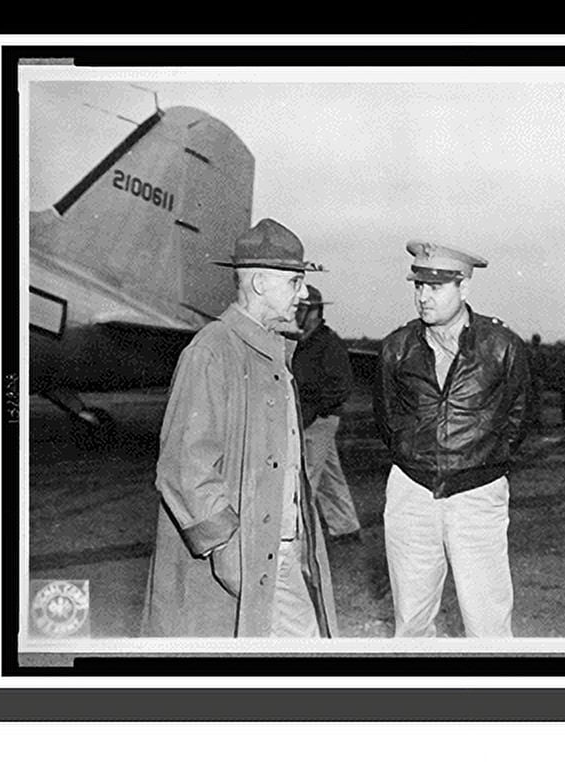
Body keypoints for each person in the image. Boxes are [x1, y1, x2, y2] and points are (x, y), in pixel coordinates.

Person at [141, 218, 337, 638]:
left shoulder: (272, 351)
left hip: (279, 552)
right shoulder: (212, 350)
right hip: (246, 556)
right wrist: (228, 548)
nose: (303, 294)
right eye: (296, 282)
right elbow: (184, 466)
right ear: (262, 283)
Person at [374, 240, 529, 637]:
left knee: (487, 621)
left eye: (436, 287)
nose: (423, 297)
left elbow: (520, 418)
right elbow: (387, 418)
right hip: (412, 492)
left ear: (464, 288)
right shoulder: (397, 347)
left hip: (476, 495)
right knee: (411, 620)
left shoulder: (502, 347)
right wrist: (415, 459)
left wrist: (480, 463)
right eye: (418, 286)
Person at [292, 284, 363, 543]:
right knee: (330, 477)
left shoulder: (328, 343)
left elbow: (341, 387)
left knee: (305, 479)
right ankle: (346, 529)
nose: (296, 314)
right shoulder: (305, 343)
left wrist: (313, 410)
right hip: (310, 418)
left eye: (301, 309)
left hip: (318, 421)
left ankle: (296, 538)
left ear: (315, 311)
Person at [526, 333, 548, 432]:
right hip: (530, 378)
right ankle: (530, 420)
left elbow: (546, 365)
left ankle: (537, 420)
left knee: (538, 400)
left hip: (537, 377)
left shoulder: (541, 352)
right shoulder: (528, 352)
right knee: (530, 400)